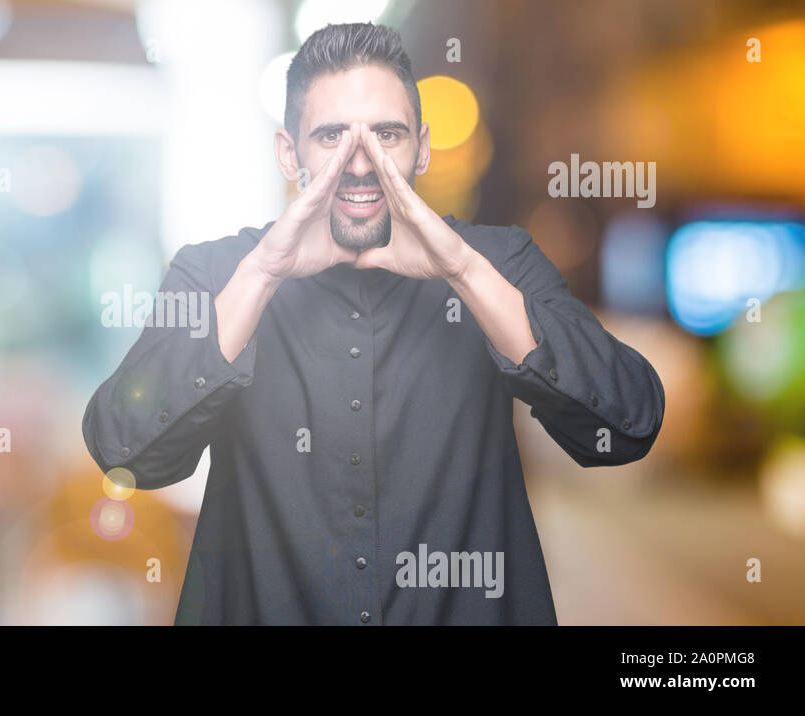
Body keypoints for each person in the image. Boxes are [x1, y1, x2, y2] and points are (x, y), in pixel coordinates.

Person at [82, 22, 664, 625]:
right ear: (289, 152)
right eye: (331, 136)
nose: (360, 164)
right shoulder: (216, 272)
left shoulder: (499, 263)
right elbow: (124, 450)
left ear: (424, 146)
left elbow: (626, 425)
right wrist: (263, 274)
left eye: (387, 135)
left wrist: (464, 273)